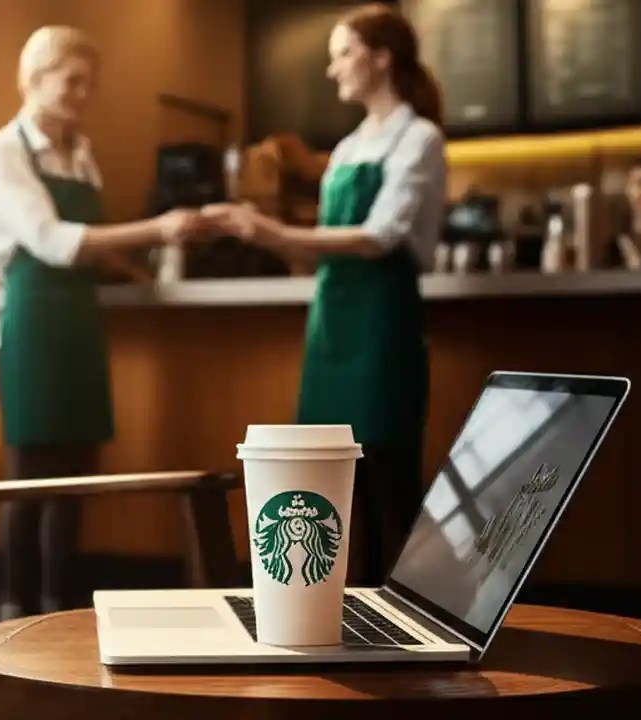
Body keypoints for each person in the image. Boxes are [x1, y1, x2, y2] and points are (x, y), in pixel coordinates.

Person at [204, 3, 446, 586]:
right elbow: (321, 248)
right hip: (331, 328)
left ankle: (408, 630)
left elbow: (379, 235)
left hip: (382, 326)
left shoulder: (418, 138)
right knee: (331, 484)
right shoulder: (347, 148)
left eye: (342, 53)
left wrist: (280, 232)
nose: (332, 69)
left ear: (381, 58)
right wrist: (256, 231)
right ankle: (342, 619)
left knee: (387, 477)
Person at [0, 26, 203, 619]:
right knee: (29, 483)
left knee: (75, 482)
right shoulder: (1, 152)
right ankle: (15, 618)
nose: (82, 94)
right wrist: (158, 229)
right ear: (34, 78)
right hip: (31, 331)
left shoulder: (81, 152)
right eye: (72, 80)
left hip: (77, 327)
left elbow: (89, 248)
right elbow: (52, 241)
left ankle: (59, 616)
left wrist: (132, 270)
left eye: (88, 84)